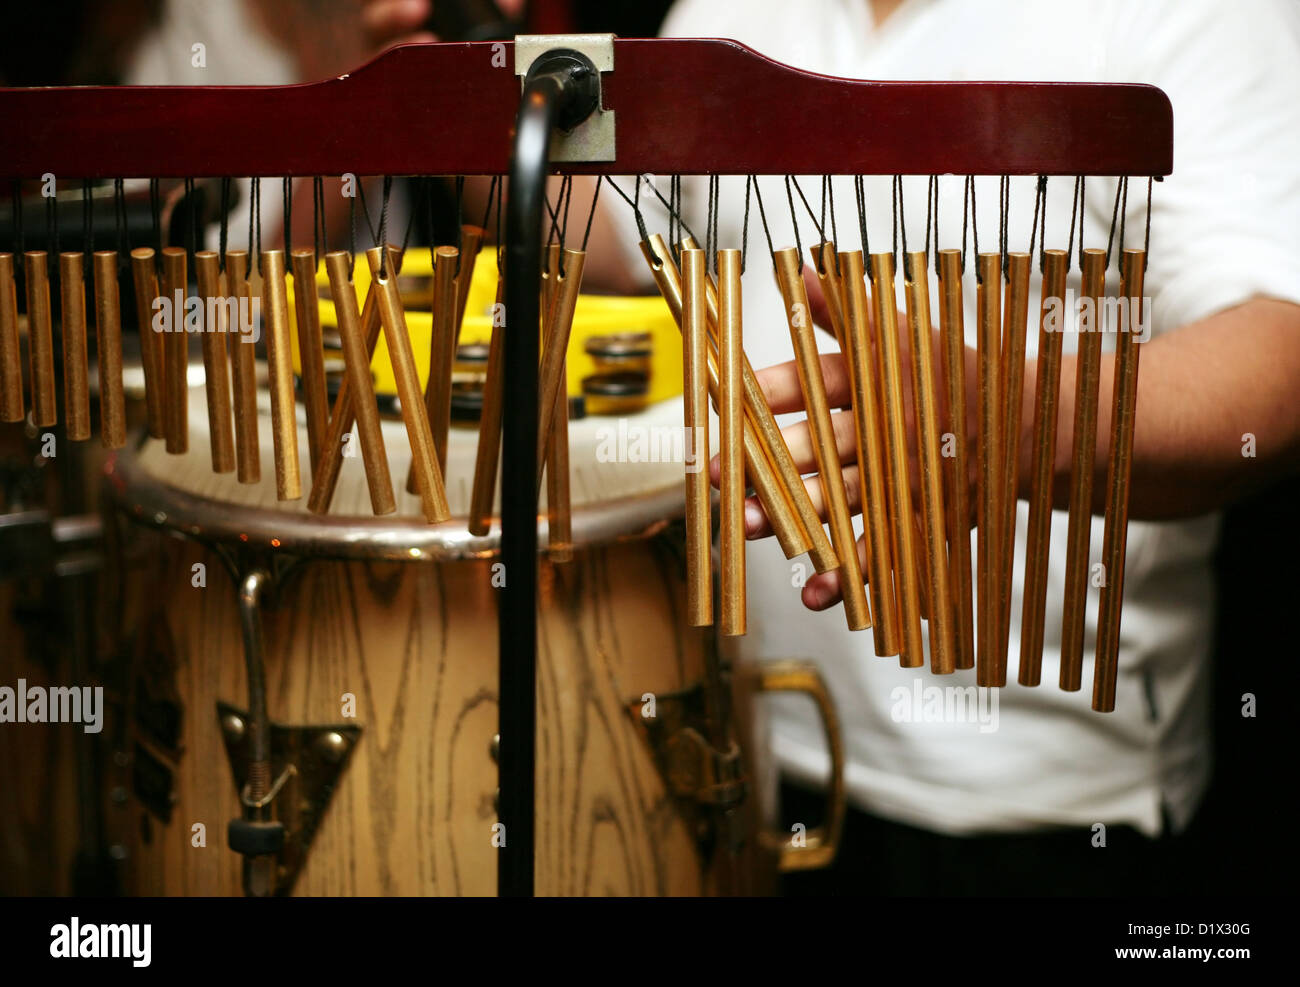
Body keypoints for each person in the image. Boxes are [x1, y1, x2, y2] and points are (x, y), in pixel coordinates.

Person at [581, 0, 1300, 894]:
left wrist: (1010, 420)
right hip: (752, 750)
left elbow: (1281, 352)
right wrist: (457, 125)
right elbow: (632, 232)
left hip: (1041, 814)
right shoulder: (725, 8)